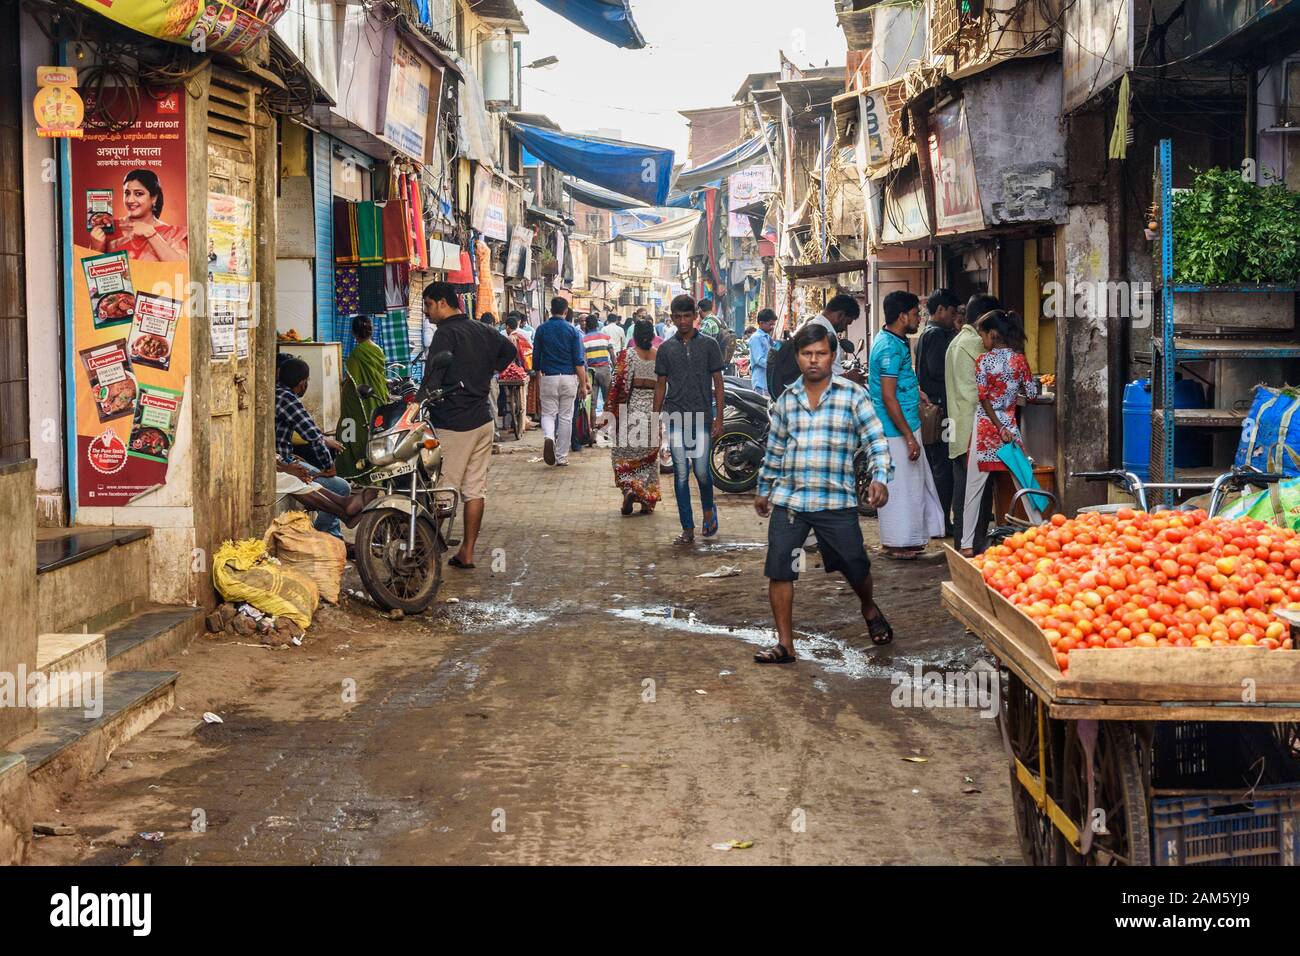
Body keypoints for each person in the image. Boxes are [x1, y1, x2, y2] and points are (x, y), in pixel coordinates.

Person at [753, 321, 895, 664]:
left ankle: (868, 606)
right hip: (791, 501)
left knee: (855, 564)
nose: (813, 360)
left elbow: (875, 440)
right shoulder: (787, 400)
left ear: (832, 356)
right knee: (781, 567)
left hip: (836, 499)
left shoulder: (852, 395)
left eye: (820, 354)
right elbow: (775, 449)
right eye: (806, 354)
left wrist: (880, 477)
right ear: (798, 357)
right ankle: (785, 644)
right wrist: (763, 488)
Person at [418, 282, 518, 569]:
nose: (426, 313)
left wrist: (418, 403)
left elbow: (433, 378)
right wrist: (486, 372)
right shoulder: (483, 329)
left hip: (453, 422)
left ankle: (426, 554)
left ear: (441, 303)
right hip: (483, 421)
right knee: (475, 489)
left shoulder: (445, 334)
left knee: (443, 488)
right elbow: (509, 351)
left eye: (427, 305)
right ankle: (467, 552)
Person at [868, 290, 946, 558]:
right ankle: (898, 543)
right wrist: (909, 438)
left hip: (902, 426)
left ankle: (906, 541)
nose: (919, 318)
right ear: (902, 316)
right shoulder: (889, 348)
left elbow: (896, 387)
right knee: (900, 489)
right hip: (895, 431)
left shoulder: (893, 341)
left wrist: (917, 392)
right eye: (915, 313)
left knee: (910, 486)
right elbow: (889, 398)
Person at [960, 309, 1038, 556]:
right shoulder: (1019, 360)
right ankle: (1042, 530)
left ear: (993, 334)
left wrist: (997, 426)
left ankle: (966, 544)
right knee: (1024, 482)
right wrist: (1006, 422)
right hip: (1009, 428)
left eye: (982, 334)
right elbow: (1033, 393)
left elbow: (983, 399)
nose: (981, 339)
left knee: (973, 489)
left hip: (986, 429)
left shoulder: (983, 361)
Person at [654, 293, 725, 545]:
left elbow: (718, 383)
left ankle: (708, 510)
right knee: (681, 473)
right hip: (674, 417)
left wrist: (719, 418)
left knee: (703, 471)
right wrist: (654, 420)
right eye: (678, 316)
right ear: (672, 318)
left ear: (695, 316)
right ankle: (687, 528)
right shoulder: (665, 349)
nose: (683, 321)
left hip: (702, 417)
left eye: (687, 316)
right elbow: (660, 386)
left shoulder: (709, 346)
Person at [276, 358, 352, 538]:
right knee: (340, 487)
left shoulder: (275, 392)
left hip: (284, 457)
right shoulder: (287, 398)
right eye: (307, 381)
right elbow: (312, 435)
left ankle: (329, 532)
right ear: (302, 383)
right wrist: (328, 467)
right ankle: (329, 536)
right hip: (281, 462)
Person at [946, 293, 997, 552]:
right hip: (974, 431)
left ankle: (962, 549)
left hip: (957, 429)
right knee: (977, 496)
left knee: (963, 492)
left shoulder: (956, 342)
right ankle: (974, 551)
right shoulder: (976, 344)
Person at [916, 289, 961, 536]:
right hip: (941, 411)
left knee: (940, 469)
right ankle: (942, 522)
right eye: (952, 313)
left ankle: (940, 521)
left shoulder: (929, 334)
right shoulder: (937, 336)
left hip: (935, 408)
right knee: (943, 469)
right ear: (941, 309)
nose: (953, 319)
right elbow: (937, 371)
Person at [609, 319, 661, 515]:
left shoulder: (627, 356)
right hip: (652, 413)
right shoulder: (660, 356)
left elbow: (616, 385)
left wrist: (611, 413)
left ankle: (629, 489)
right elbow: (666, 386)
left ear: (634, 337)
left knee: (622, 455)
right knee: (648, 459)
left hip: (630, 412)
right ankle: (647, 500)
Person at [532, 294, 589, 466]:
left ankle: (549, 436)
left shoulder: (541, 329)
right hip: (568, 378)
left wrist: (539, 377)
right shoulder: (572, 331)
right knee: (565, 417)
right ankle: (561, 457)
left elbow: (536, 360)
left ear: (551, 310)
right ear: (566, 311)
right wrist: (584, 384)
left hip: (548, 376)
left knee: (548, 414)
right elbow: (579, 360)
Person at [88, 169, 188, 262]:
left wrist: (151, 234)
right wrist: (96, 248)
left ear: (154, 198)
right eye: (127, 193)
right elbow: (92, 276)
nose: (130, 200)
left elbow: (181, 270)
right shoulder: (109, 228)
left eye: (138, 194)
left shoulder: (173, 234)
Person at [336, 315, 390, 477]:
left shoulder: (357, 353)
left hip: (358, 401)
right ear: (371, 331)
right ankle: (377, 467)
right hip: (378, 396)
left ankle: (355, 470)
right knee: (375, 431)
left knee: (350, 430)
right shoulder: (377, 350)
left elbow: (352, 380)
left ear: (353, 332)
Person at [583, 314, 614, 412]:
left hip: (591, 372)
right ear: (597, 325)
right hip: (605, 370)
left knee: (592, 402)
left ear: (586, 326)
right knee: (608, 399)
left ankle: (592, 426)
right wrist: (616, 368)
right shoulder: (606, 337)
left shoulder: (583, 339)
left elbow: (583, 359)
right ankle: (608, 424)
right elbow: (613, 356)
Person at [749, 309, 778, 397]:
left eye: (773, 325)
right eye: (770, 324)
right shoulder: (756, 338)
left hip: (768, 381)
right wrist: (774, 366)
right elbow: (759, 360)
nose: (772, 327)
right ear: (761, 323)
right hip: (761, 382)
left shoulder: (767, 338)